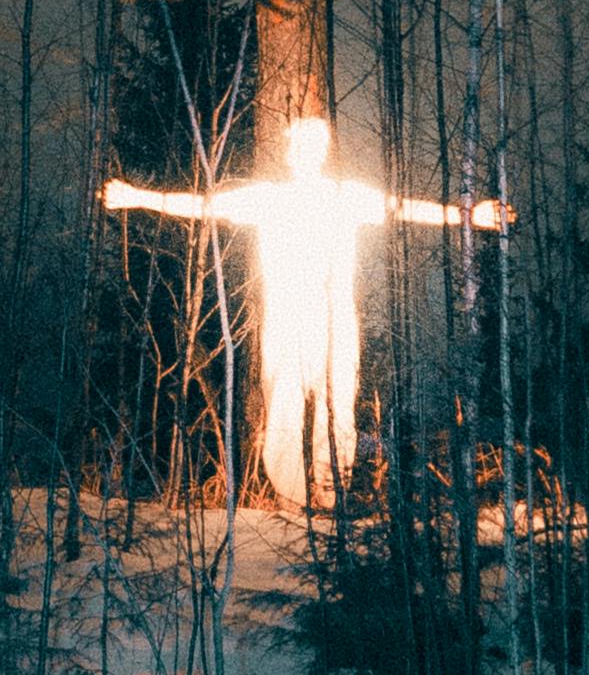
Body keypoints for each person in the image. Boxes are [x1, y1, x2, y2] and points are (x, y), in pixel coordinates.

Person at [105, 115, 510, 504]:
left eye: (316, 145)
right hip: (287, 320)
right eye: (301, 145)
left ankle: (331, 495)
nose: (308, 152)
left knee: (339, 408)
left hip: (335, 319)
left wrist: (470, 216)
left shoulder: (345, 196)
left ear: (324, 151)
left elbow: (403, 208)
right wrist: (137, 197)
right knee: (285, 407)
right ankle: (295, 498)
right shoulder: (269, 199)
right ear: (289, 152)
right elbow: (204, 205)